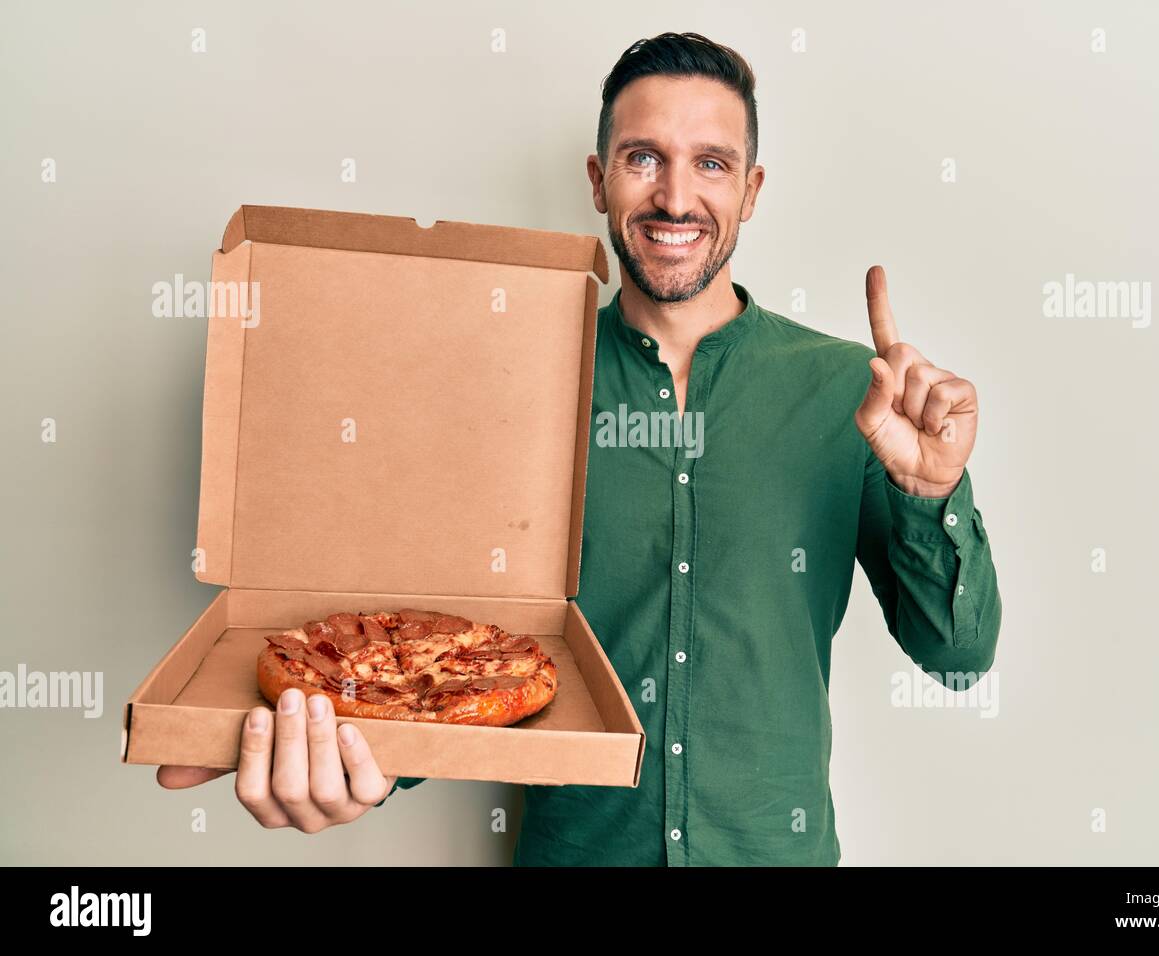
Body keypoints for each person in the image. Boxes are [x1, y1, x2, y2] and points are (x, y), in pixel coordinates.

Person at [159, 31, 1002, 865]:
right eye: (644, 158)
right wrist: (352, 768)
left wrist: (934, 496)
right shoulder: (509, 386)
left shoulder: (852, 392)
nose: (676, 197)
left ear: (751, 191)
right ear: (599, 182)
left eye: (711, 163)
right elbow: (445, 649)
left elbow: (959, 660)